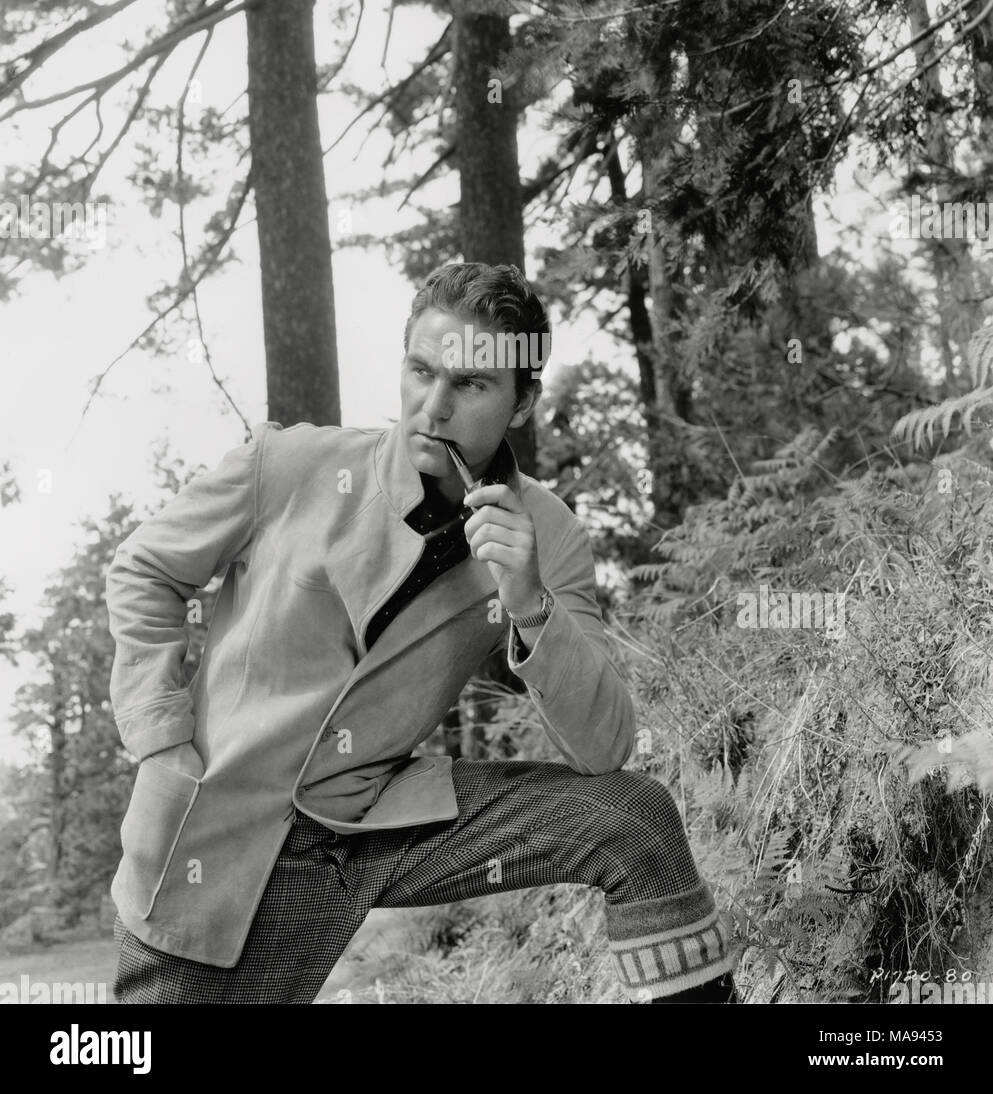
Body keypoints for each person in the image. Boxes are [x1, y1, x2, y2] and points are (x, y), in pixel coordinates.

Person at [108, 261, 736, 1004]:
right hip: (216, 837)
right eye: (419, 371)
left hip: (374, 820)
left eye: (469, 385)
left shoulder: (550, 533)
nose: (431, 408)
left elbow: (601, 747)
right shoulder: (286, 464)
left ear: (522, 401)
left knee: (630, 816)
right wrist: (160, 736)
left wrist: (529, 602)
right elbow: (145, 568)